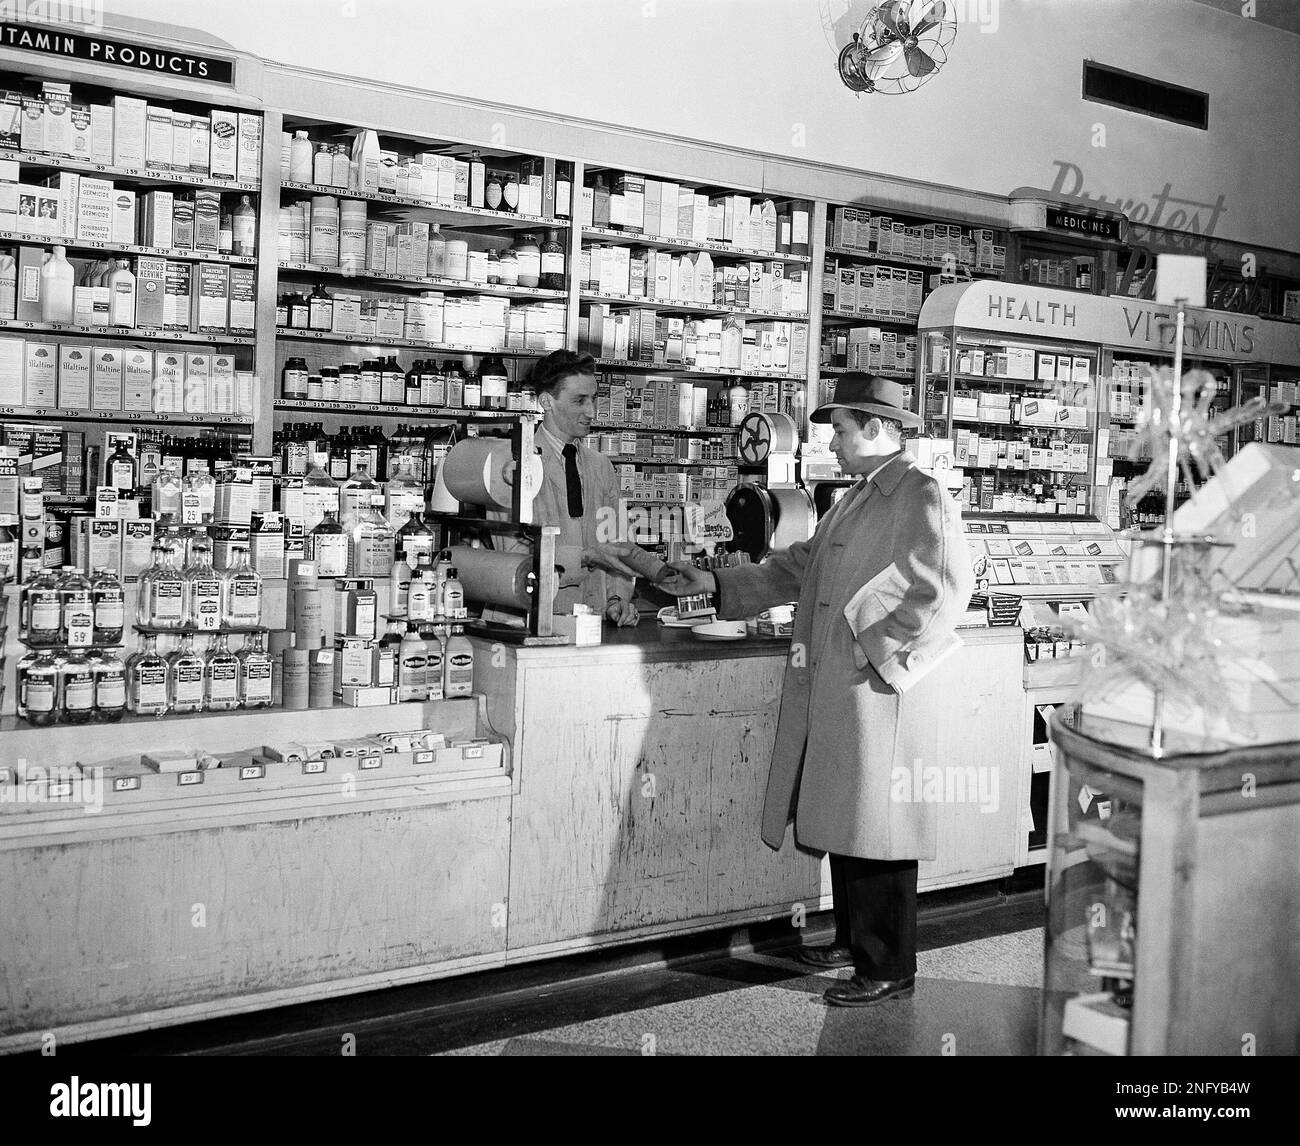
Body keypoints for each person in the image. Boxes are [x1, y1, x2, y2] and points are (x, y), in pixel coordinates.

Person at [661, 374, 974, 1006]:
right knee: (846, 812)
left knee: (879, 827)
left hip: (876, 693)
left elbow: (944, 588)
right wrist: (715, 582)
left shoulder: (921, 494)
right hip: (843, 687)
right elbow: (798, 566)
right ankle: (856, 939)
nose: (831, 440)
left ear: (877, 429)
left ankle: (888, 965)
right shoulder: (859, 497)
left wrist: (877, 652)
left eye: (841, 429)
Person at [515, 350, 640, 626]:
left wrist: (617, 600)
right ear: (547, 401)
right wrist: (584, 557)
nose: (591, 412)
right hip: (535, 622)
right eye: (579, 401)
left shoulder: (600, 466)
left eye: (593, 399)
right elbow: (514, 558)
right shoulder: (517, 464)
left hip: (592, 624)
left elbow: (619, 545)